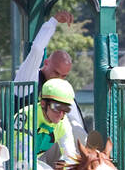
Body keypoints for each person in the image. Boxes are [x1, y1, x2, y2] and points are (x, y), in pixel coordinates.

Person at [13, 10, 85, 141]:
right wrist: (53, 22)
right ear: (46, 63)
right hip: (22, 144)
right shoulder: (29, 77)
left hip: (48, 145)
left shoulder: (62, 90)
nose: (59, 79)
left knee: (75, 128)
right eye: (56, 73)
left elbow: (75, 123)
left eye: (64, 76)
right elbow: (37, 49)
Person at [14, 79, 80, 170]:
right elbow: (24, 156)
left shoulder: (63, 122)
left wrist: (65, 169)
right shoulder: (27, 115)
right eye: (57, 107)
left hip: (31, 163)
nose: (61, 114)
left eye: (66, 109)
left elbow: (70, 154)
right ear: (43, 103)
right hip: (10, 161)